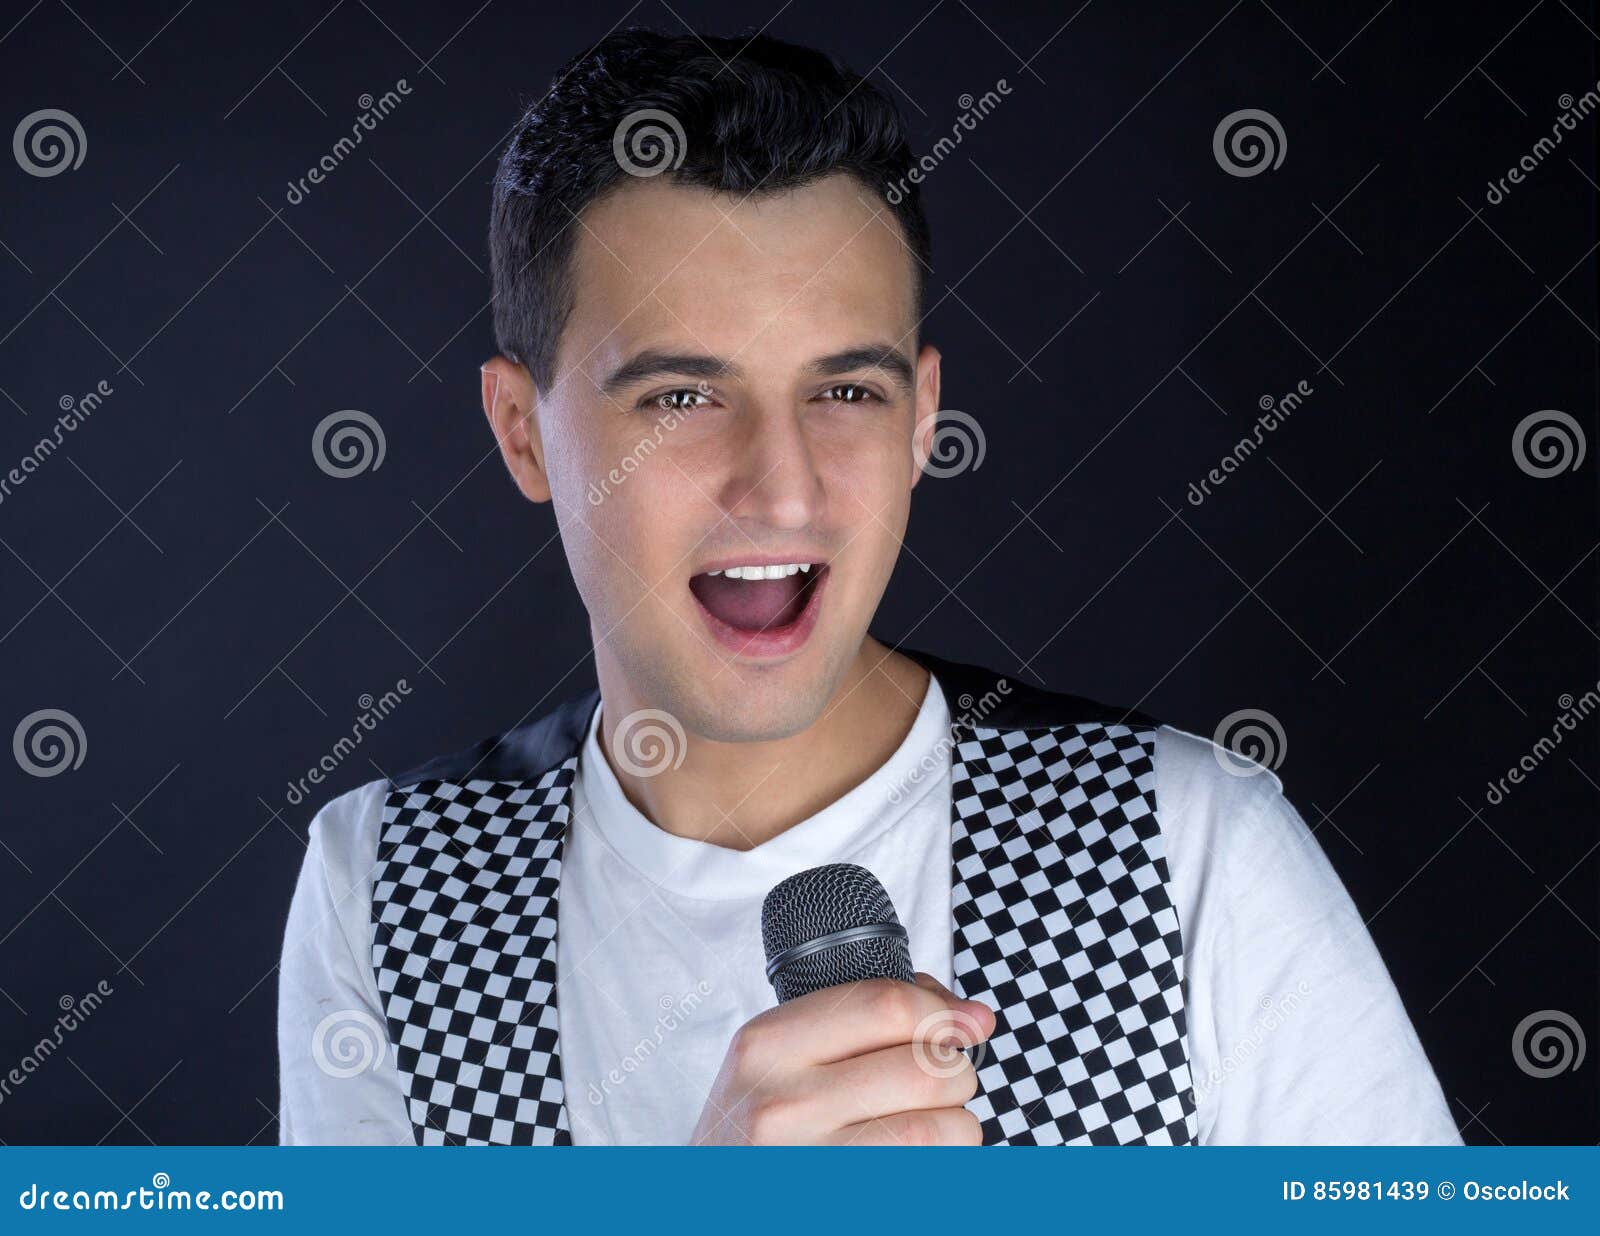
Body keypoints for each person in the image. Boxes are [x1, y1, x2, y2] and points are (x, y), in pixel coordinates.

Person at [277, 27, 1458, 1147]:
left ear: (923, 418)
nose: (781, 490)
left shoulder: (1185, 850)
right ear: (521, 433)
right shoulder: (391, 890)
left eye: (845, 392)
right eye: (680, 396)